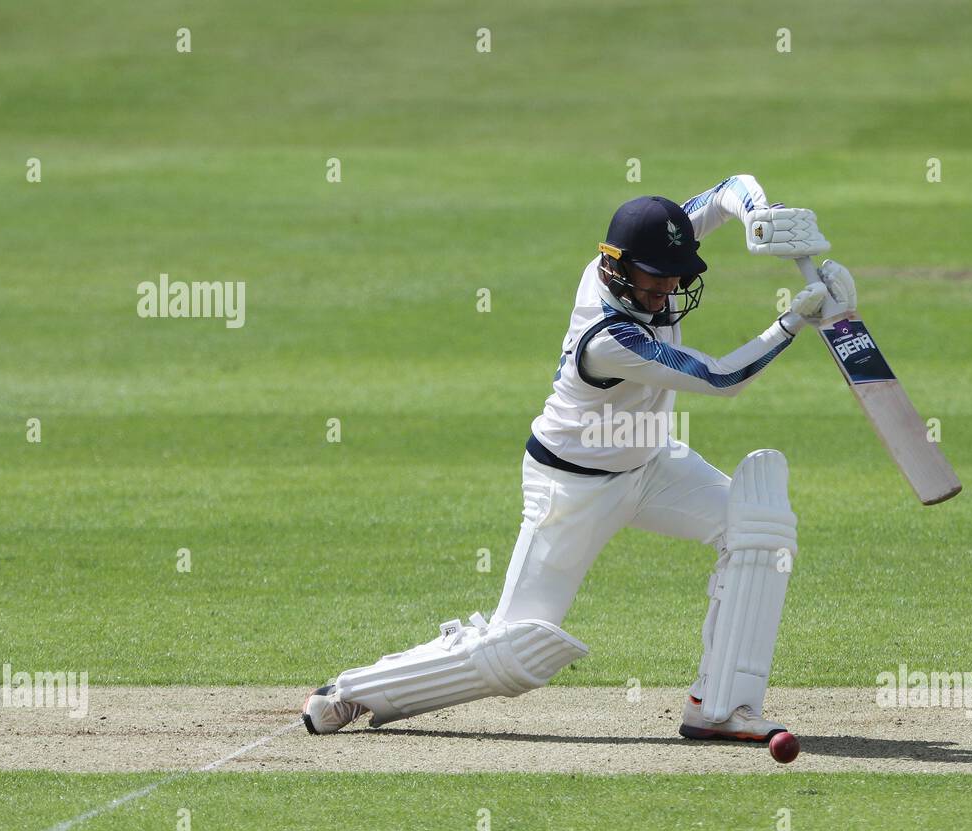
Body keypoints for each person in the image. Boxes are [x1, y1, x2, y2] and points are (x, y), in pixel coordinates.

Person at [303, 174, 855, 742]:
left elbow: (725, 192)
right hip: (573, 488)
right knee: (519, 650)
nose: (664, 292)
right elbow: (720, 379)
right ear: (615, 269)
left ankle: (721, 709)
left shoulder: (646, 263)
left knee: (758, 530)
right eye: (653, 280)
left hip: (651, 463)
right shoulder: (608, 336)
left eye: (675, 278)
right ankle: (351, 693)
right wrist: (793, 322)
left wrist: (759, 215)